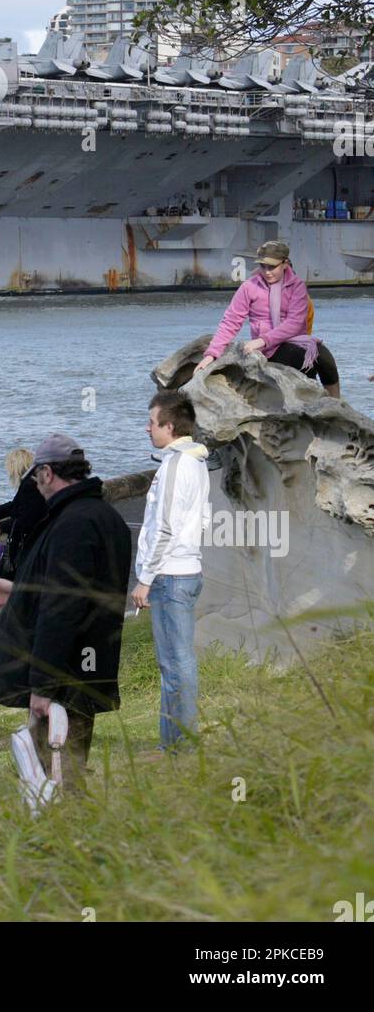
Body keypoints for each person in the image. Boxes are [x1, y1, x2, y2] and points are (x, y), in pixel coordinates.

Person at [0, 434, 131, 775]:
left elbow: (62, 609)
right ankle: (72, 822)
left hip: (65, 672)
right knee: (66, 768)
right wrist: (19, 591)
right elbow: (74, 591)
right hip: (87, 664)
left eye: (35, 476)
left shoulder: (72, 523)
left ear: (46, 474)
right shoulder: (102, 516)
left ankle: (69, 826)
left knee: (54, 775)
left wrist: (43, 687)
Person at [131, 392, 210, 751]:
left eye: (152, 422)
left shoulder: (177, 464)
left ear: (169, 425)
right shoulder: (194, 462)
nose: (147, 428)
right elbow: (202, 519)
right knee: (175, 664)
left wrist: (145, 579)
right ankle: (173, 743)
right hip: (185, 570)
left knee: (175, 665)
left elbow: (164, 527)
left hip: (171, 576)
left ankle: (181, 746)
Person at [193, 241, 340, 395]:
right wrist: (211, 355)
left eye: (272, 267)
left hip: (289, 342)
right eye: (263, 266)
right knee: (312, 357)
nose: (267, 272)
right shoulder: (249, 287)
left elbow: (295, 324)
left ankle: (337, 404)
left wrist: (261, 340)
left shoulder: (297, 287)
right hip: (268, 351)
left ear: (285, 264)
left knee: (323, 357)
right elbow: (230, 321)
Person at [0, 447, 43, 578]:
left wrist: (2, 526)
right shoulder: (32, 483)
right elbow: (14, 506)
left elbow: (27, 519)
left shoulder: (30, 486)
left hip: (28, 545)